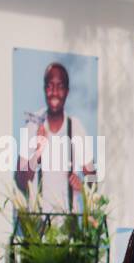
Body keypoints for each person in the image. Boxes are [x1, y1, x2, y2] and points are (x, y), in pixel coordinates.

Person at [14, 62, 96, 212]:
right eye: (50, 86)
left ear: (67, 91)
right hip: (38, 226)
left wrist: (83, 186)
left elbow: (93, 178)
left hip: (69, 224)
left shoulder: (76, 127)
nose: (55, 92)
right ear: (45, 89)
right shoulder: (33, 126)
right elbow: (20, 182)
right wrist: (37, 154)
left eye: (60, 87)